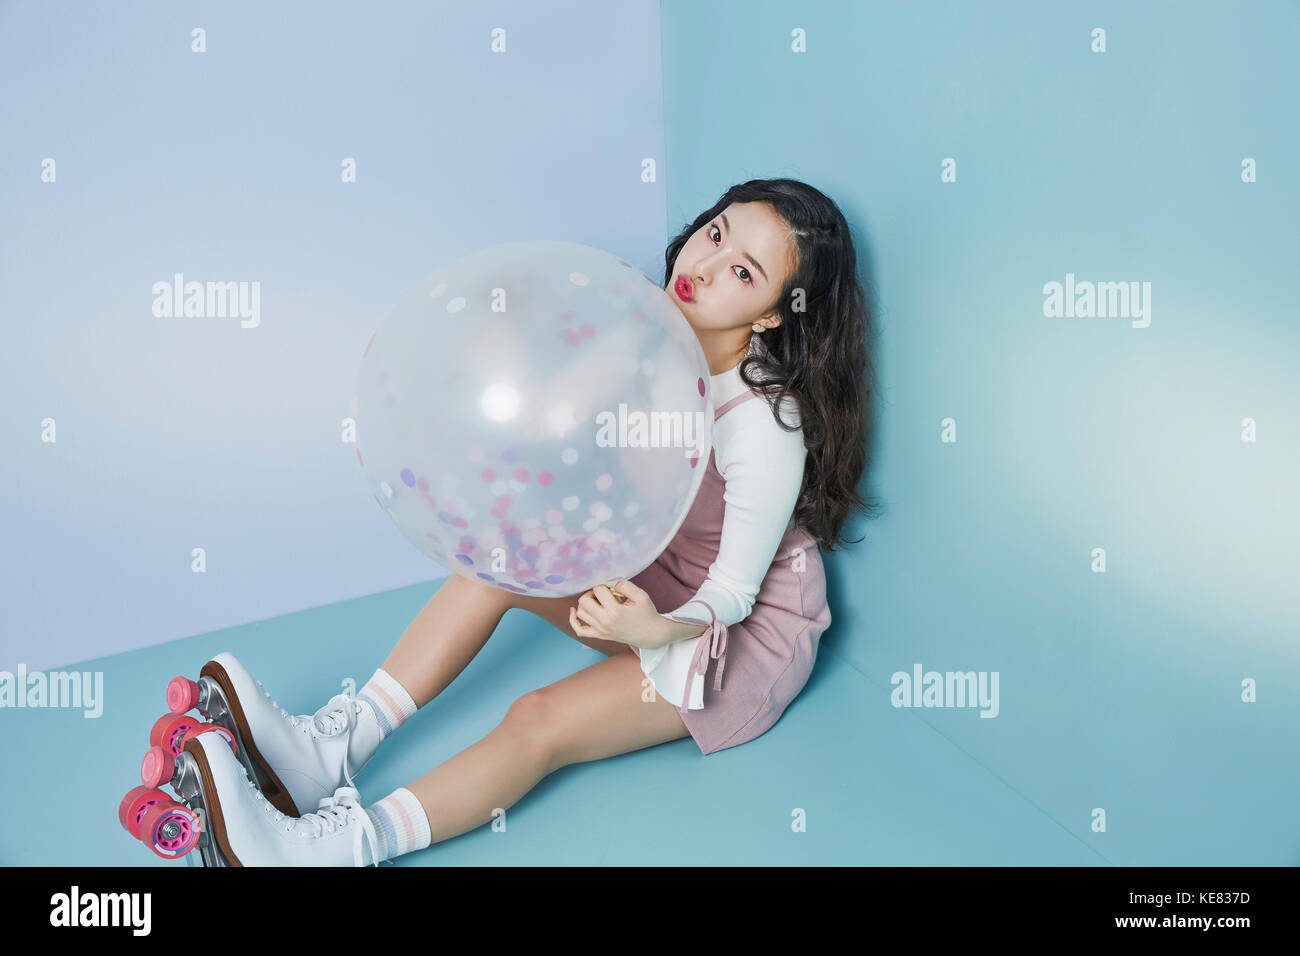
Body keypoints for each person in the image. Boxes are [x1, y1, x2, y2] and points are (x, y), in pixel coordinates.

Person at [178, 178, 879, 866]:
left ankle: (330, 851)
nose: (701, 265)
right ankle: (327, 751)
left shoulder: (762, 425)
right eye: (716, 232)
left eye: (742, 272)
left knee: (538, 720)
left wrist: (652, 631)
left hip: (736, 636)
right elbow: (555, 419)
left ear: (769, 316)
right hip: (654, 569)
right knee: (501, 559)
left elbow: (734, 595)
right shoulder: (641, 330)